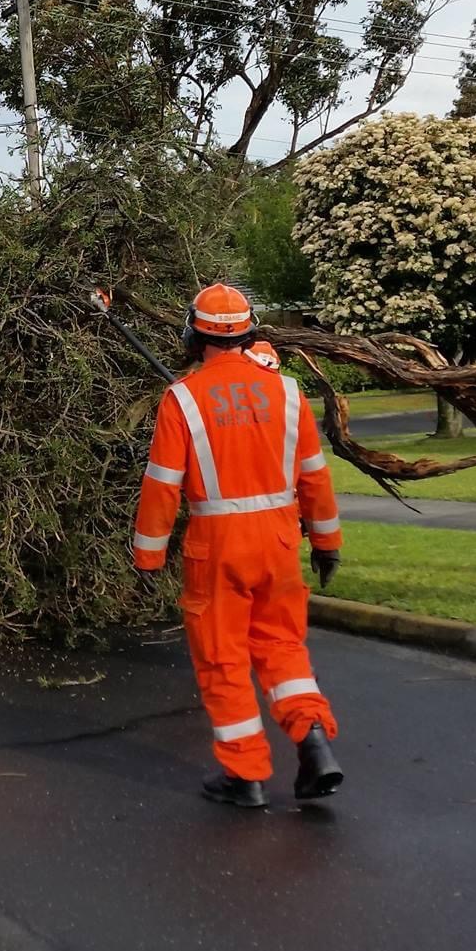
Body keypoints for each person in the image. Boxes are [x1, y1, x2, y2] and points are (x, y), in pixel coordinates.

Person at [133, 284, 345, 808]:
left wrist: (148, 555)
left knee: (223, 658)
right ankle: (312, 738)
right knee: (283, 647)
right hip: (278, 541)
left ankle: (245, 773)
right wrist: (326, 542)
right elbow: (315, 478)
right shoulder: (289, 392)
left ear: (193, 333)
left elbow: (162, 485)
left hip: (217, 545)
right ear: (249, 331)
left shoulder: (182, 397)